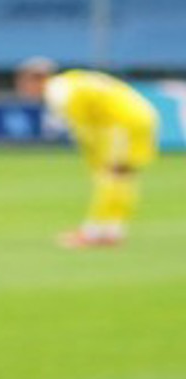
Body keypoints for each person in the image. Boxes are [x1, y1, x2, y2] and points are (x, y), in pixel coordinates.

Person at [15, 57, 159, 249]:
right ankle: (112, 231)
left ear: (35, 80)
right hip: (141, 115)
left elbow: (86, 131)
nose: (23, 88)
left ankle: (94, 233)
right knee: (123, 177)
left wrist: (96, 162)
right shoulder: (71, 81)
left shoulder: (59, 93)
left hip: (123, 122)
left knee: (110, 176)